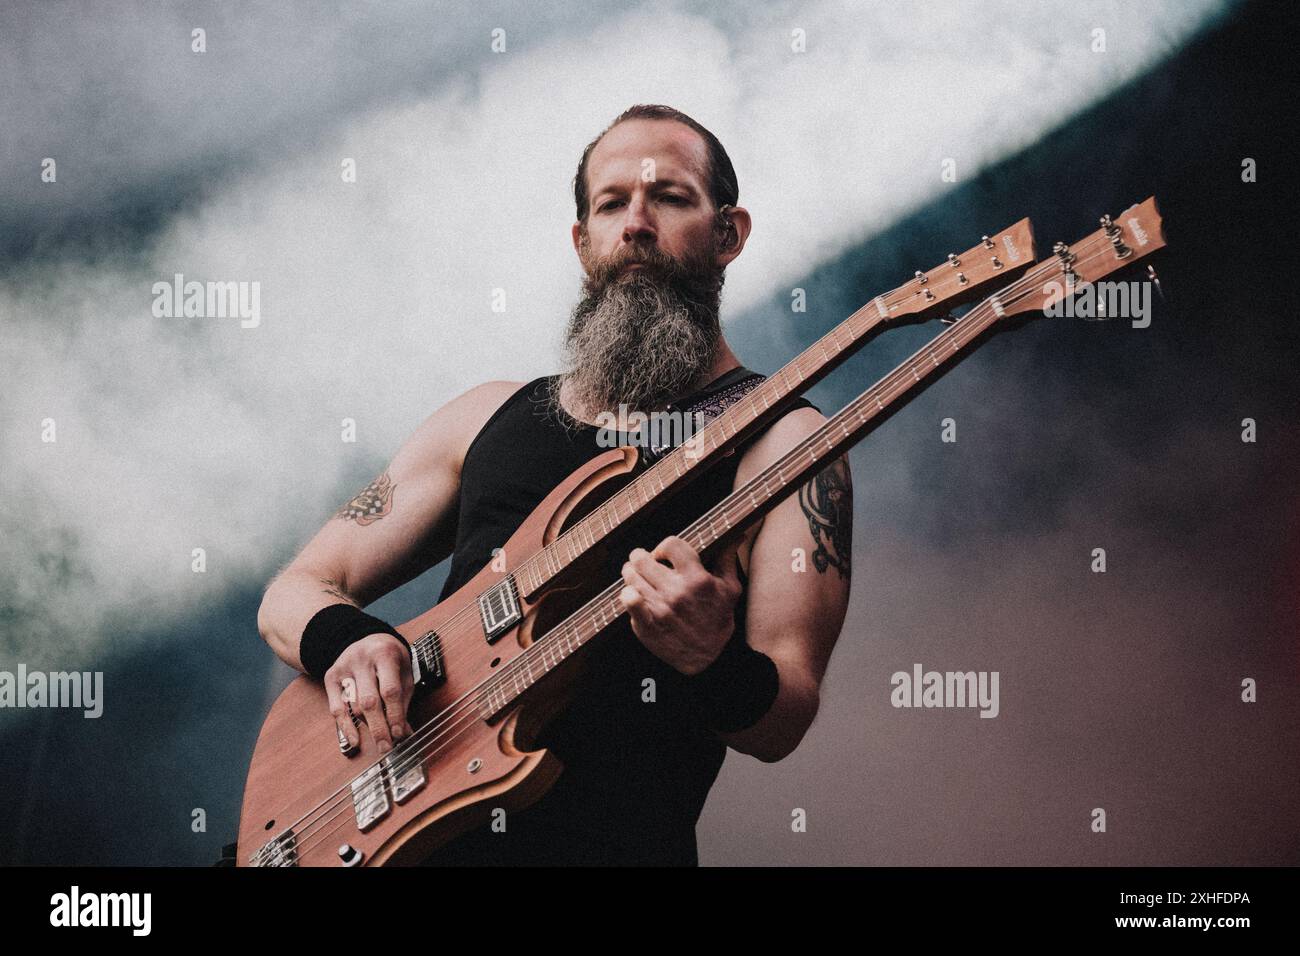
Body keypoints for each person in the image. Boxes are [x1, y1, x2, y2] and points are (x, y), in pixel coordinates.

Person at [256, 104, 853, 865]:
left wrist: (715, 658)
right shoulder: (484, 416)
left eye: (669, 198)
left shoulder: (787, 438)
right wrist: (354, 641)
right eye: (611, 204)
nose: (636, 223)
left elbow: (785, 718)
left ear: (729, 233)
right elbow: (298, 589)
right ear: (583, 243)